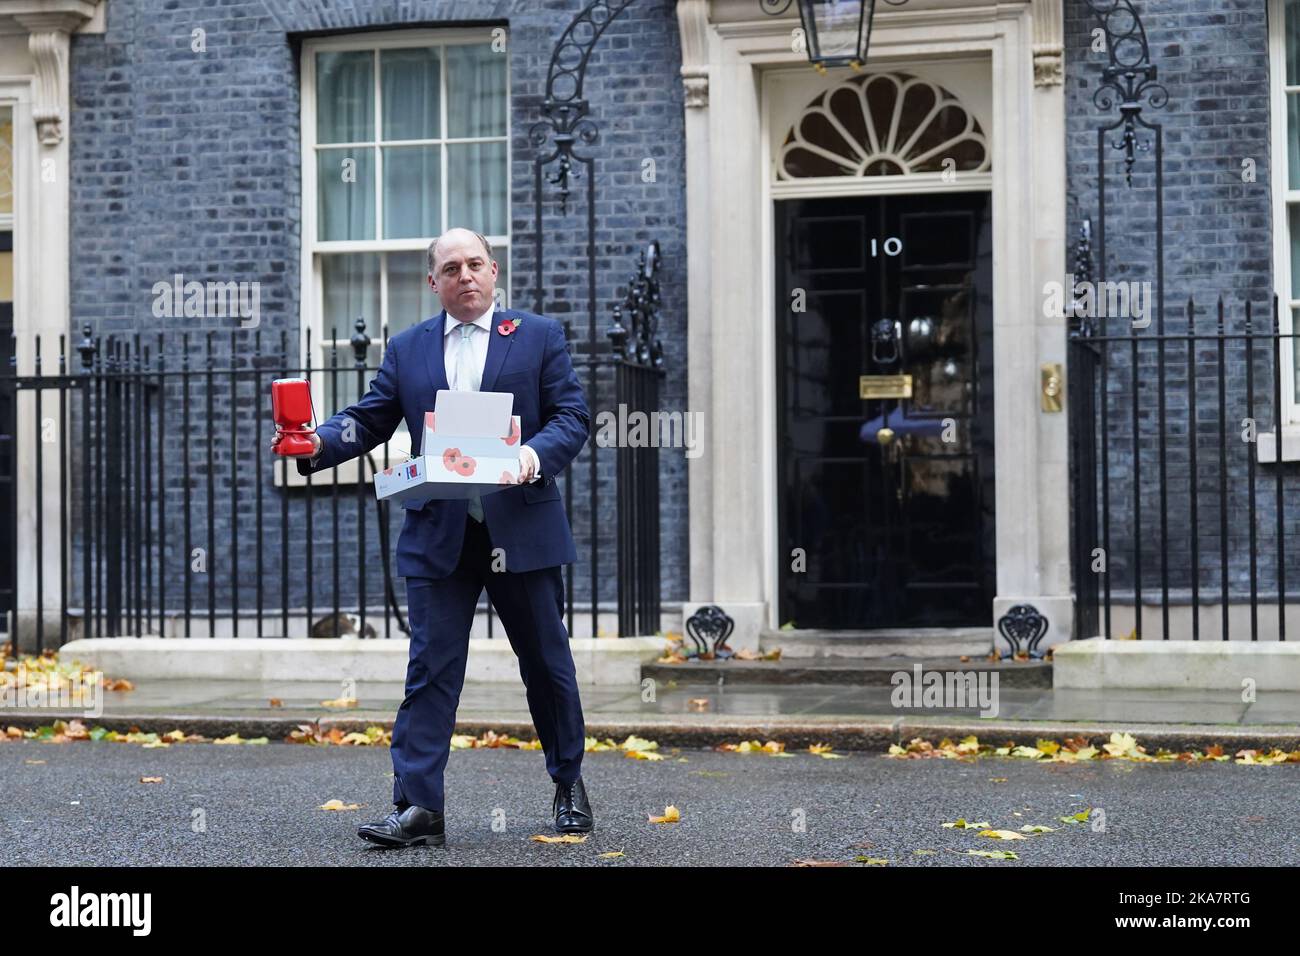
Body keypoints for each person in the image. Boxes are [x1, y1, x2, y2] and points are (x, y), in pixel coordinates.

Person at [272, 227, 593, 847]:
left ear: (493, 271)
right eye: (451, 268)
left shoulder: (538, 337)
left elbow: (572, 416)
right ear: (434, 282)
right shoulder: (408, 348)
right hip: (438, 532)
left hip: (519, 525)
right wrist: (316, 443)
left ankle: (568, 784)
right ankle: (420, 807)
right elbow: (369, 419)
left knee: (547, 664)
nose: (464, 275)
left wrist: (531, 456)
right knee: (430, 671)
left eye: (475, 264)